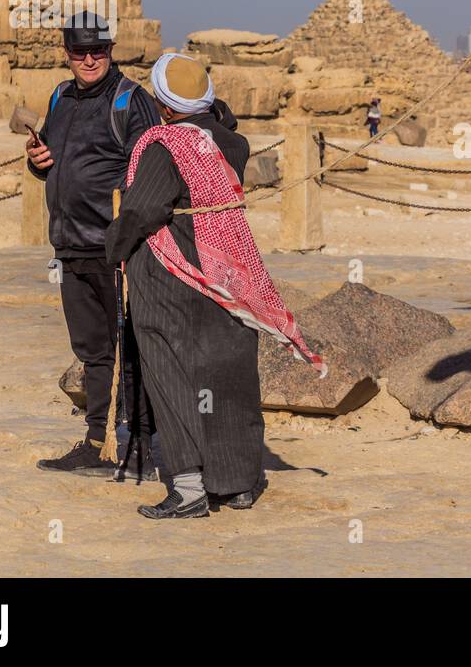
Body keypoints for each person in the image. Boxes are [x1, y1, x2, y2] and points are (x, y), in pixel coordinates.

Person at [105, 54, 323, 520]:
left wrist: (113, 247)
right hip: (226, 273)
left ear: (164, 106)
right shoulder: (231, 142)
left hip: (171, 278)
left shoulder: (163, 144)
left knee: (172, 375)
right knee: (227, 374)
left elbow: (143, 211)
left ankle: (187, 488)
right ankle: (237, 481)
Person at [27, 11, 160, 479]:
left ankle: (141, 441)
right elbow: (54, 163)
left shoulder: (131, 100)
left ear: (110, 51)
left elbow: (147, 169)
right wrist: (38, 162)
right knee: (93, 349)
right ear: (66, 54)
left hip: (114, 246)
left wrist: (125, 235)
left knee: (133, 345)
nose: (89, 59)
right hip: (69, 244)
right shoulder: (60, 96)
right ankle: (96, 441)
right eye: (80, 52)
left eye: (98, 51)